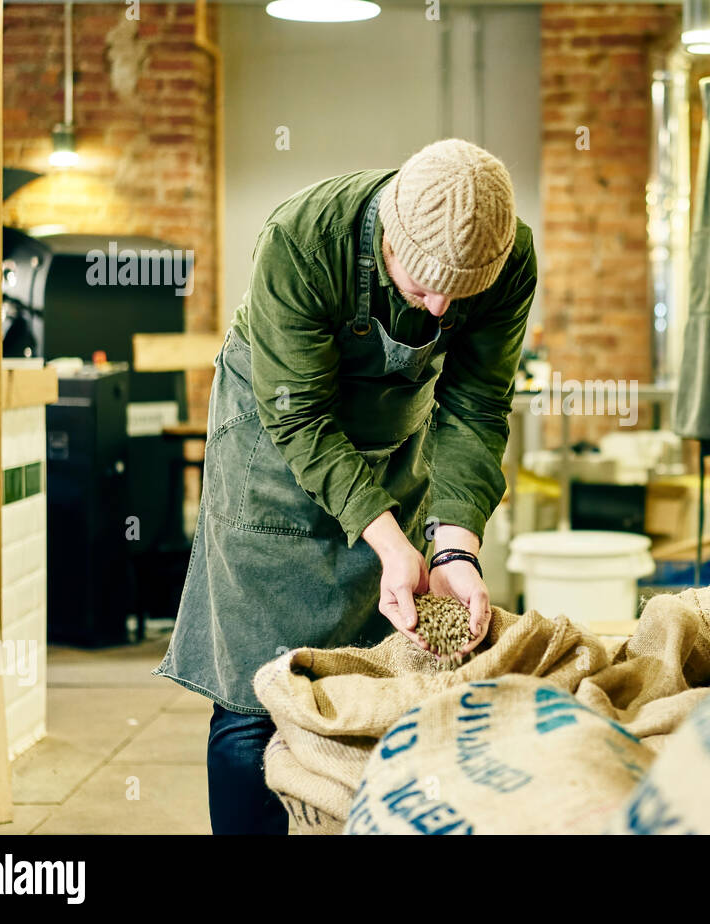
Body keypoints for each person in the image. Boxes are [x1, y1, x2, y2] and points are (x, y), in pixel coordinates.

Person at [153, 139, 536, 834]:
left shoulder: (511, 260)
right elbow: (299, 412)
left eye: (460, 293)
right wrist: (391, 542)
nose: (442, 303)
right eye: (422, 286)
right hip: (274, 449)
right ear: (390, 231)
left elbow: (475, 405)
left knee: (378, 686)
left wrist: (454, 550)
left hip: (393, 449)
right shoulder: (301, 240)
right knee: (256, 697)